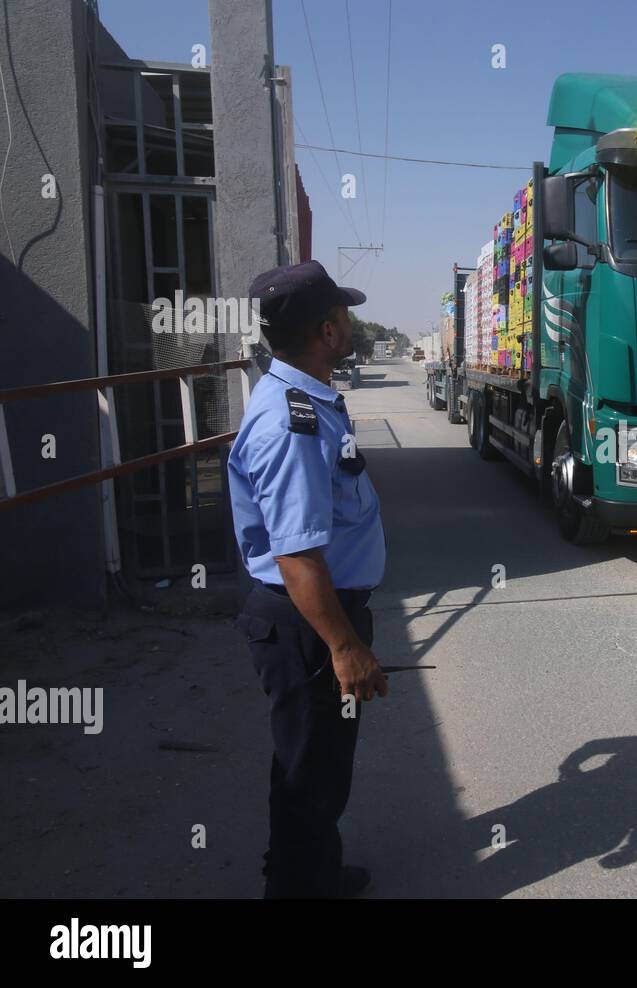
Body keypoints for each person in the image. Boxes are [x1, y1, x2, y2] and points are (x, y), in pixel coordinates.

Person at [228, 259, 389, 898]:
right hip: (310, 625)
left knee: (314, 766)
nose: (350, 324)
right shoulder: (292, 422)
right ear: (327, 331)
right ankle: (297, 889)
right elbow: (297, 557)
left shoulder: (308, 401)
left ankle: (313, 872)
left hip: (316, 619)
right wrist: (345, 646)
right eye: (344, 316)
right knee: (309, 773)